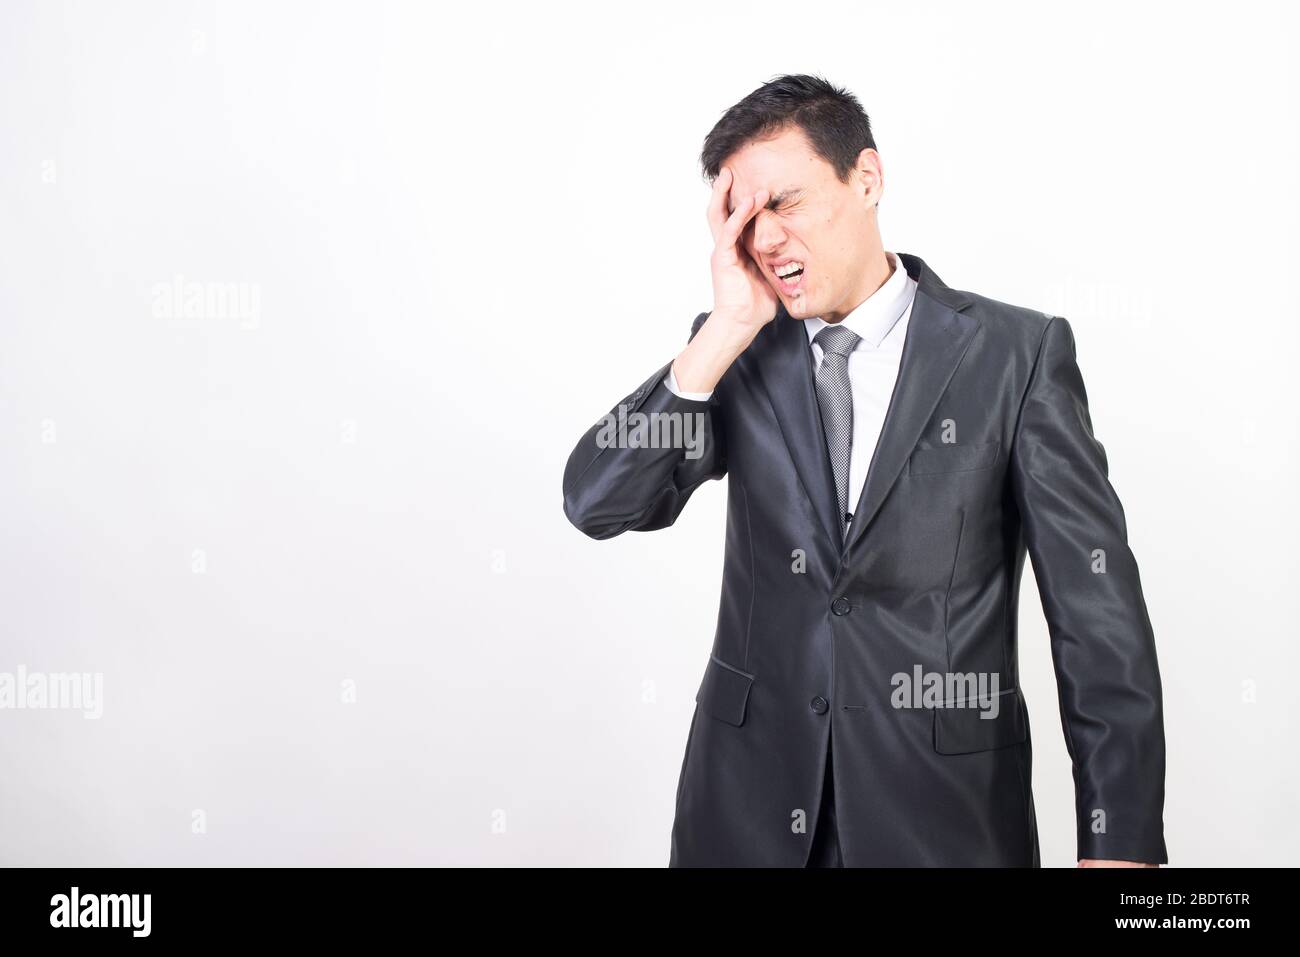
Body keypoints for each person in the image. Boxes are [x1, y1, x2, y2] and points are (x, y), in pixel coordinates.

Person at [561, 74, 1166, 868]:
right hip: (742, 816)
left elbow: (1098, 619)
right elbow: (597, 501)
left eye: (783, 203)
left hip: (943, 823)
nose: (765, 237)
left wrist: (1116, 841)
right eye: (741, 219)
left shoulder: (1016, 356)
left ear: (867, 178)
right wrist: (723, 331)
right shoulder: (740, 354)